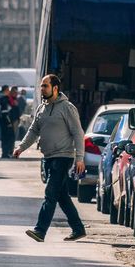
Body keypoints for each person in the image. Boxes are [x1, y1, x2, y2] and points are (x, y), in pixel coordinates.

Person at [14, 74, 86, 242]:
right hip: (48, 158)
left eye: (45, 86)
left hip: (63, 157)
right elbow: (33, 130)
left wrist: (80, 158)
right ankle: (78, 229)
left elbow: (78, 133)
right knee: (62, 197)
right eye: (41, 86)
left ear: (55, 88)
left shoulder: (67, 108)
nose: (42, 89)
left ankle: (40, 230)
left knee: (50, 193)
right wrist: (21, 147)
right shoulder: (42, 108)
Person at [0, 84, 16, 159]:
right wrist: (8, 123)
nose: (9, 92)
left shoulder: (1, 99)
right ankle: (6, 153)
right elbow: (5, 112)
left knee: (6, 137)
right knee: (9, 137)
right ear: (5, 90)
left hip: (3, 122)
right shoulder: (4, 99)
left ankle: (5, 153)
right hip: (6, 123)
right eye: (8, 90)